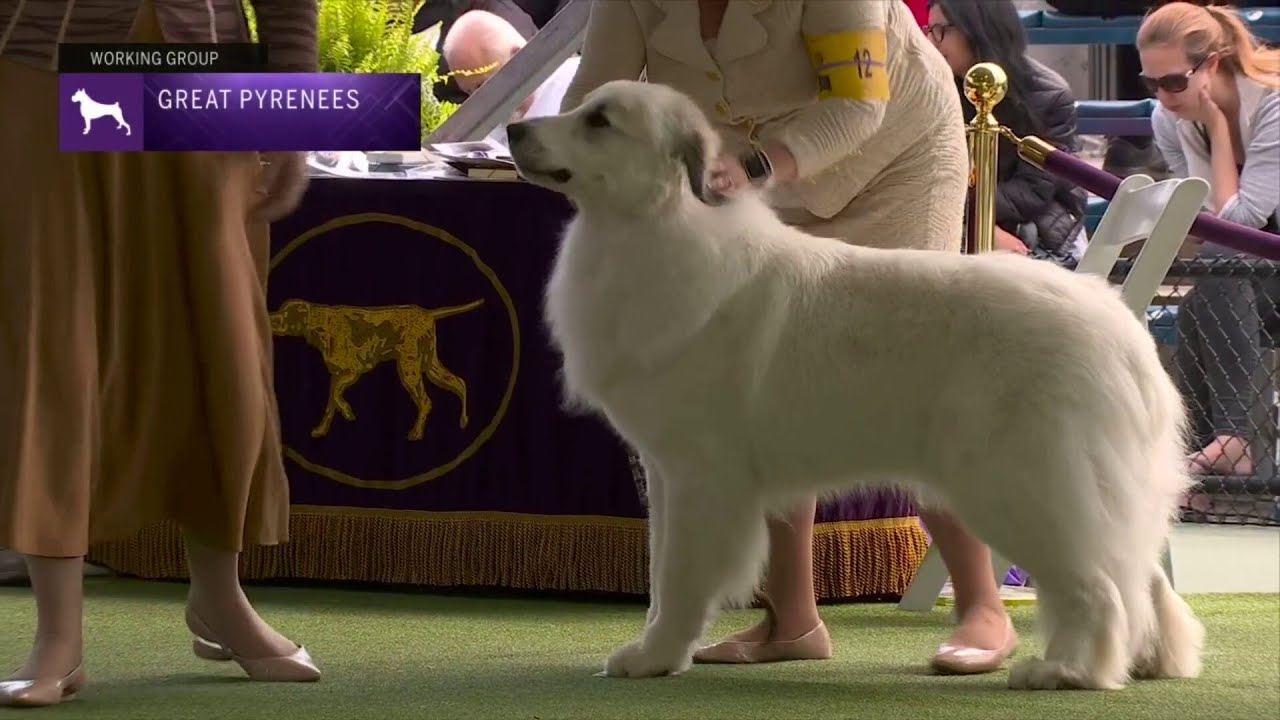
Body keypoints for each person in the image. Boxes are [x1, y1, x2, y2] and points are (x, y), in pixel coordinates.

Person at [562, 0, 1018, 674]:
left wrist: (755, 165)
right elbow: (592, 94)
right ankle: (791, 619)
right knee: (762, 384)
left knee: (914, 379)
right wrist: (566, 149)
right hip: (738, 176)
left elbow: (856, 107)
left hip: (892, 159)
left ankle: (982, 606)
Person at [0, 0, 322, 707]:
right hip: (39, 71)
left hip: (208, 75)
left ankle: (221, 600)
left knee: (222, 339)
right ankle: (58, 635)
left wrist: (291, 117)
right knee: (56, 335)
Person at [1136, 1, 1280, 508]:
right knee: (1203, 301)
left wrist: (1218, 133)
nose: (1162, 96)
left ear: (1212, 64)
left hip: (1261, 259)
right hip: (1255, 271)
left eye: (1174, 81)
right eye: (1151, 82)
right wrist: (1204, 130)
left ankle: (1227, 450)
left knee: (1217, 270)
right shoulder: (1168, 118)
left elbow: (1238, 225)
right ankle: (1217, 463)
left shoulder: (1273, 104)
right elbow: (1197, 215)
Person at [926, 0, 1088, 267]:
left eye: (942, 30)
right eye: (929, 30)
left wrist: (975, 221)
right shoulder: (933, 88)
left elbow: (1034, 189)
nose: (933, 42)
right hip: (957, 221)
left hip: (1035, 227)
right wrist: (979, 229)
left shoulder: (1047, 95)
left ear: (979, 29)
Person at [442, 10, 581, 147]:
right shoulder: (486, 133)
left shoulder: (579, 86)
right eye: (469, 92)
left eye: (483, 87)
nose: (480, 102)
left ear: (518, 57)